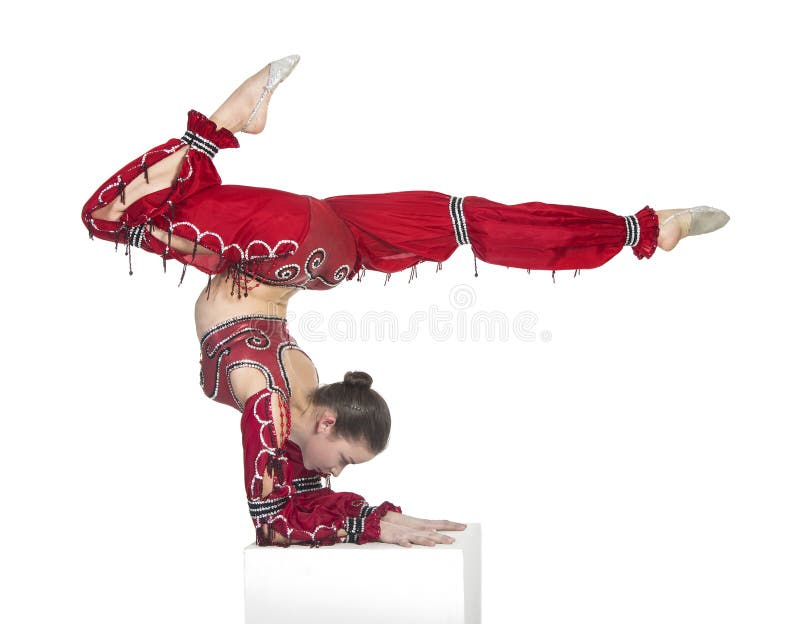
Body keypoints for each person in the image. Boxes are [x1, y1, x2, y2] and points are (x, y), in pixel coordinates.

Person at [80, 54, 729, 548]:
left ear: (328, 424)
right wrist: (381, 522)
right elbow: (285, 511)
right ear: (328, 421)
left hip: (311, 246)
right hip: (299, 245)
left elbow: (276, 520)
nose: (333, 474)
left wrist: (374, 522)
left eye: (344, 466)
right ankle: (643, 229)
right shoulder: (282, 405)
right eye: (344, 466)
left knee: (466, 223)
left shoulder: (277, 405)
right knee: (112, 215)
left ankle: (643, 230)